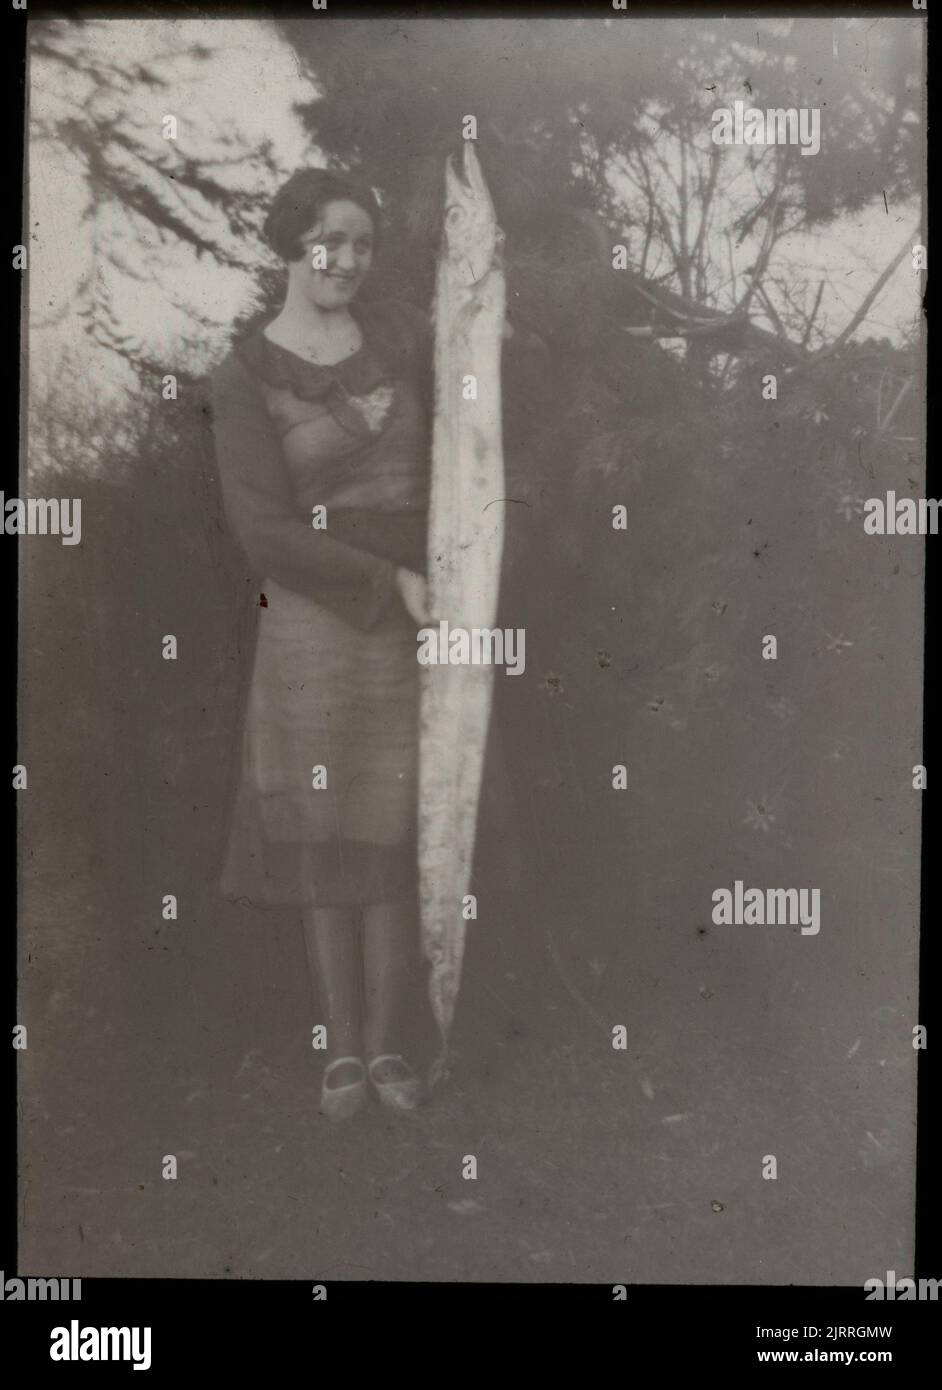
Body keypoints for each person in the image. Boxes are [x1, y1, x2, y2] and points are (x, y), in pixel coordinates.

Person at [210, 169, 433, 1120]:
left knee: (391, 822)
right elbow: (261, 531)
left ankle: (389, 1050)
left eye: (362, 244)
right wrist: (386, 583)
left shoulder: (401, 343)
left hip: (413, 619)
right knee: (323, 826)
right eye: (328, 240)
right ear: (291, 244)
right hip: (312, 615)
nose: (345, 259)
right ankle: (339, 1050)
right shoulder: (245, 374)